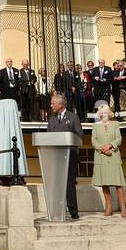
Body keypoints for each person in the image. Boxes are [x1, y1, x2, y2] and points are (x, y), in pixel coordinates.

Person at [46, 91, 82, 221]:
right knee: (56, 185)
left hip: (70, 156)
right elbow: (49, 137)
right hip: (56, 157)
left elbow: (79, 136)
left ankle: (73, 211)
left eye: (53, 103)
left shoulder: (73, 118)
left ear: (60, 105)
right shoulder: (51, 120)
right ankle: (57, 210)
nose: (51, 106)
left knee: (69, 184)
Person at [89, 101, 126, 218]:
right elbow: (93, 141)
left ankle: (123, 208)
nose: (103, 115)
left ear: (109, 113)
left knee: (118, 184)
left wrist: (110, 146)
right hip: (101, 156)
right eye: (101, 113)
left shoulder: (115, 124)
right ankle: (109, 207)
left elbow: (118, 138)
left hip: (113, 156)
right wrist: (102, 149)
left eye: (105, 113)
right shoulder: (95, 126)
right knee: (104, 184)